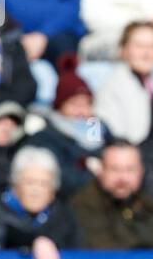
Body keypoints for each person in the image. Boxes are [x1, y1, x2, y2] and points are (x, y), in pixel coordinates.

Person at [22, 56, 110, 200]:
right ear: (60, 106)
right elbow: (61, 177)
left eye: (86, 104)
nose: (81, 111)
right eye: (74, 104)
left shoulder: (98, 128)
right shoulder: (48, 136)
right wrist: (96, 173)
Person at [70, 139, 153, 250]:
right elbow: (105, 251)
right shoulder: (83, 205)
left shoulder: (152, 207)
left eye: (130, 169)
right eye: (114, 169)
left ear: (141, 172)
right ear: (101, 171)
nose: (122, 178)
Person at [93, 21, 153, 146]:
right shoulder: (112, 86)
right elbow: (98, 130)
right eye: (139, 46)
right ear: (124, 50)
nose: (146, 53)